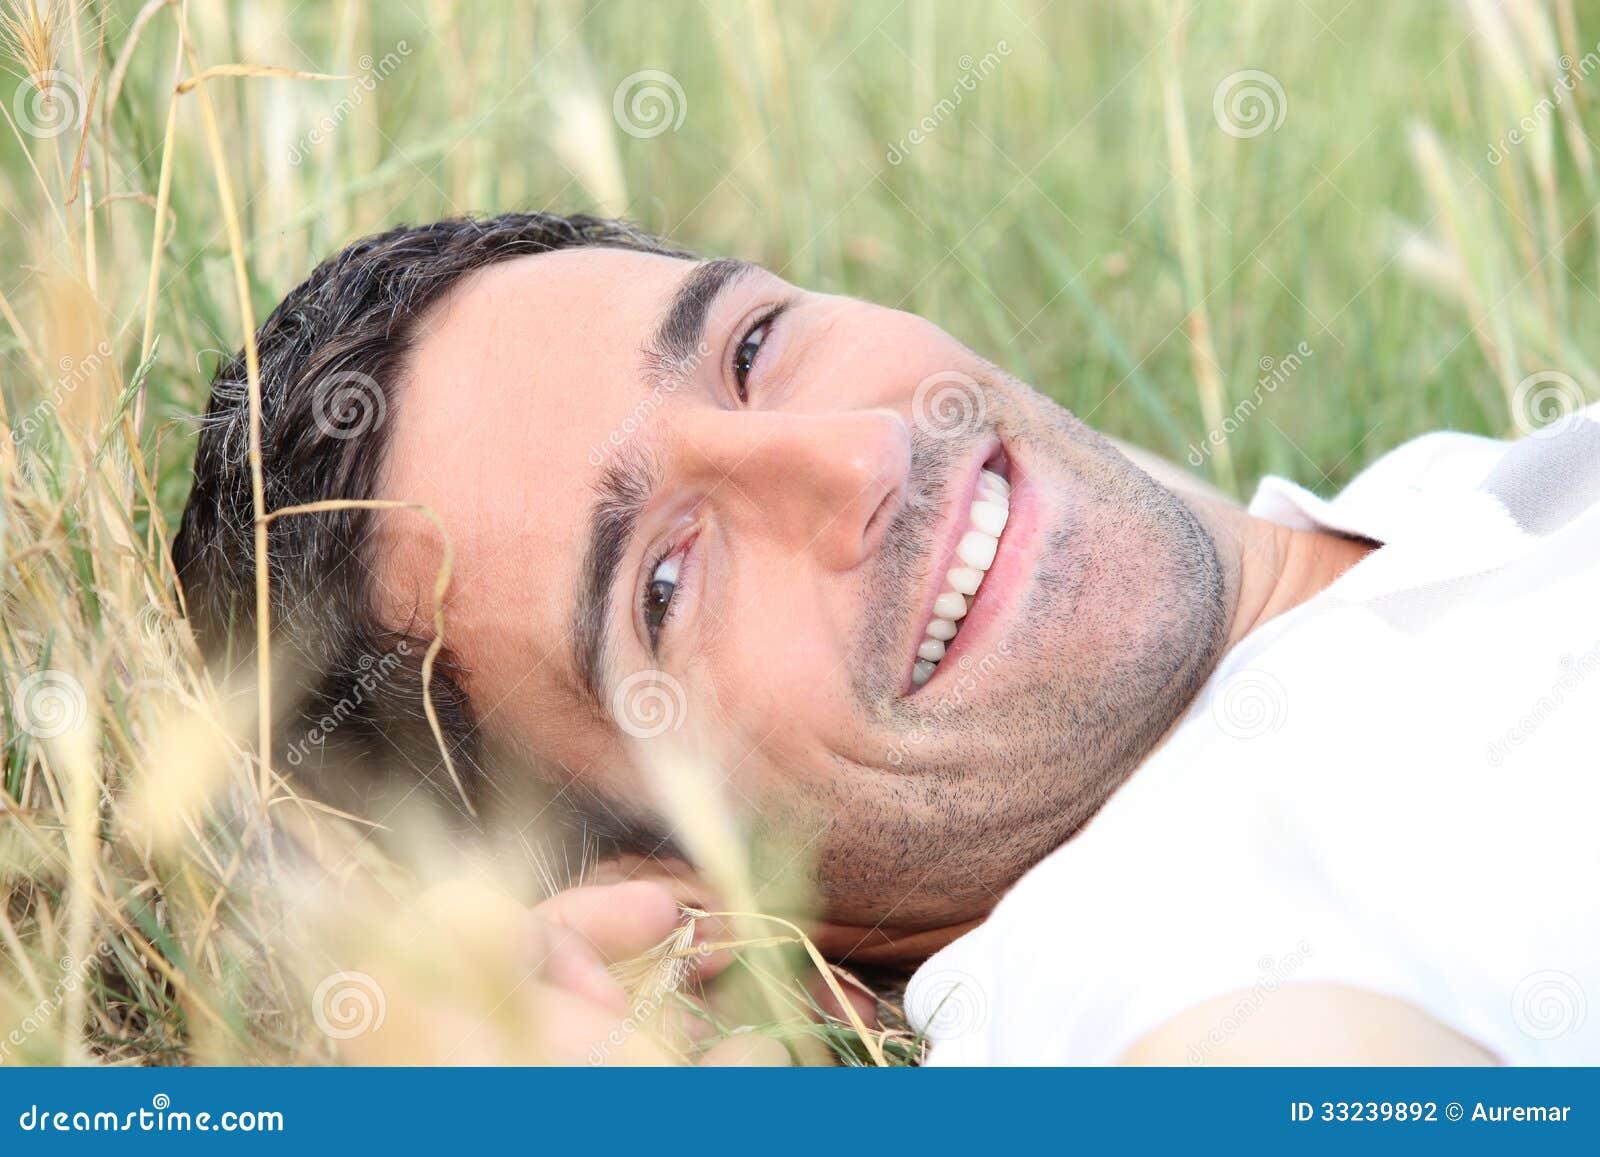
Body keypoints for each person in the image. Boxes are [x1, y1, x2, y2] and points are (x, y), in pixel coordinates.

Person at [173, 212, 1600, 1064]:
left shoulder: (1430, 505)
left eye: (750, 348)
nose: (853, 454)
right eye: (663, 584)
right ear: (695, 909)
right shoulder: (1146, 964)